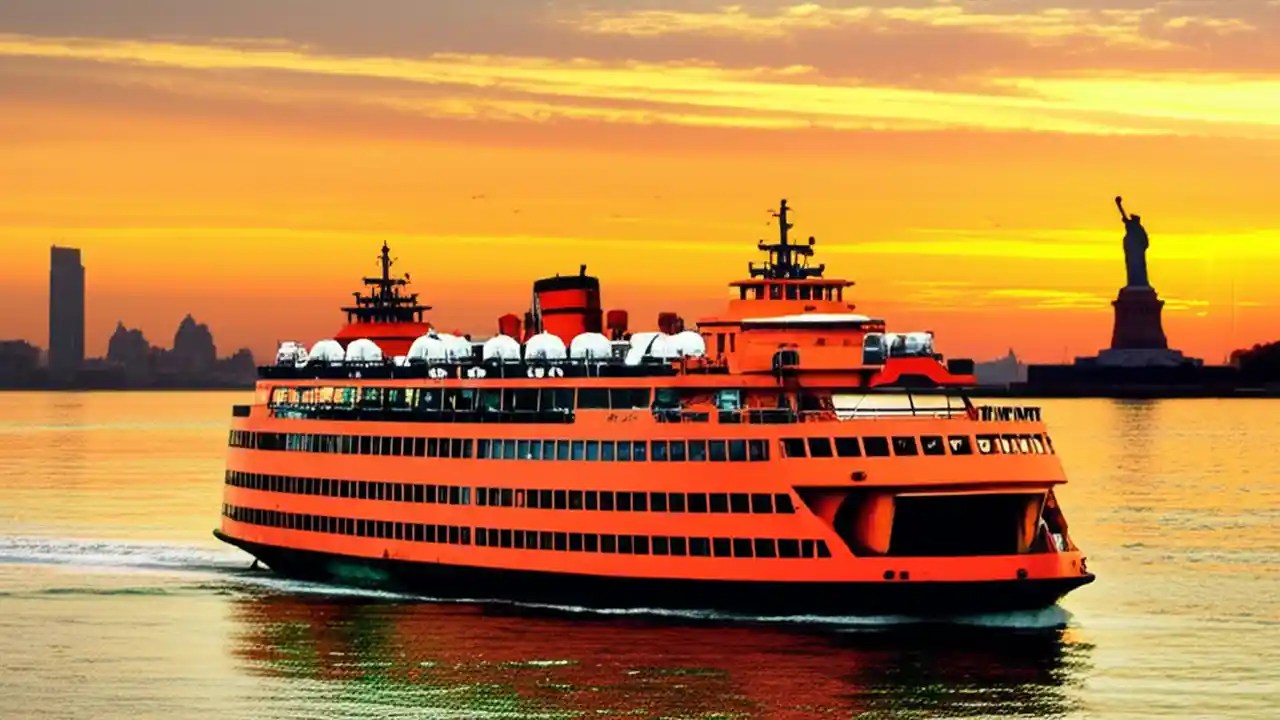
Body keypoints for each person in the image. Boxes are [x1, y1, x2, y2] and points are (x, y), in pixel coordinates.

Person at [1115, 196, 1150, 287]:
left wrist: (1119, 204)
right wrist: (1119, 204)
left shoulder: (1137, 228)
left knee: (1138, 266)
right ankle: (1134, 282)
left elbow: (1145, 242)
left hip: (1137, 251)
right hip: (1132, 251)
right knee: (1132, 267)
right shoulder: (1134, 226)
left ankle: (1139, 282)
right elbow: (1123, 215)